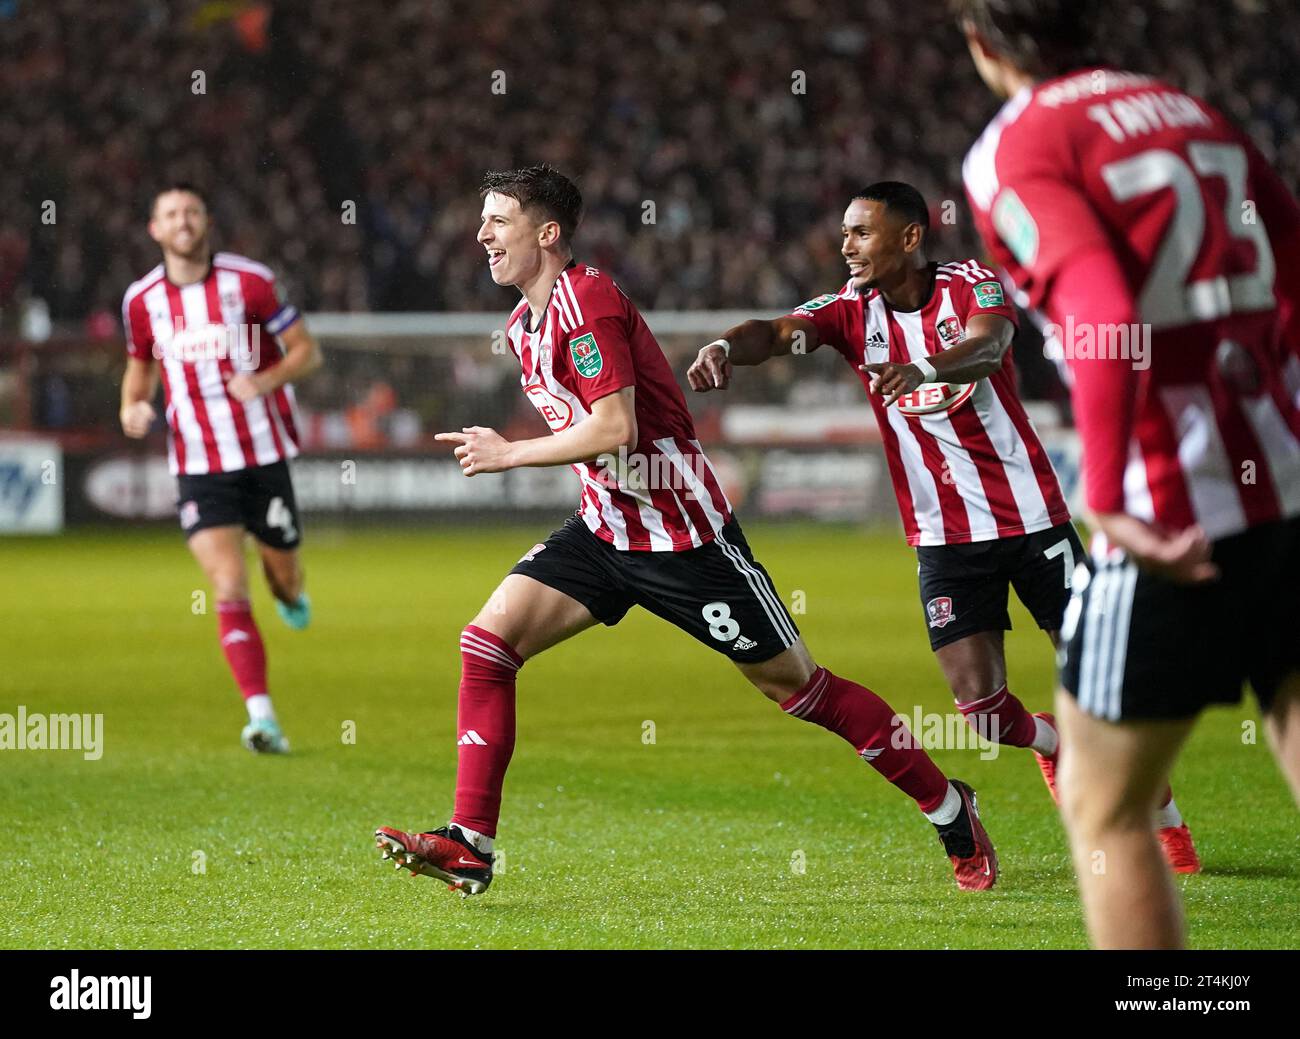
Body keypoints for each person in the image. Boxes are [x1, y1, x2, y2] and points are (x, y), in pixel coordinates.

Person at [375, 165, 998, 896]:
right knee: (486, 643)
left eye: (498, 220)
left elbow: (615, 426)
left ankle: (951, 808)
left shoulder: (588, 301)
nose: (481, 234)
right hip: (606, 532)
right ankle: (471, 843)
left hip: (685, 539)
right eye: (482, 220)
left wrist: (510, 452)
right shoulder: (523, 326)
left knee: (802, 690)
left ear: (547, 233)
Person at [687, 181, 1198, 873]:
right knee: (983, 711)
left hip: (1032, 519)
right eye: (844, 233)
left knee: (1102, 683)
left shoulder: (972, 285)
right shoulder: (848, 310)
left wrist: (922, 366)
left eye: (861, 233)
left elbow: (989, 348)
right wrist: (724, 344)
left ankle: (1164, 822)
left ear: (909, 237)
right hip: (942, 537)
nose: (846, 246)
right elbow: (776, 333)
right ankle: (1054, 746)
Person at [956, 0, 1300, 947]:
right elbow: (1294, 257)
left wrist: (1104, 494)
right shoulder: (1192, 111)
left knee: (1108, 811)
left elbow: (1104, 311)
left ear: (985, 43)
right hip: (1287, 479)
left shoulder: (1014, 147)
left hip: (1173, 502)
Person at [120, 184, 323, 754]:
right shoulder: (142, 300)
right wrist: (131, 406)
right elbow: (138, 369)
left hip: (263, 453)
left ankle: (288, 594)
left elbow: (307, 350)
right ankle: (263, 718)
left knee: (283, 579)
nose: (182, 222)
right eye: (170, 214)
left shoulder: (250, 281)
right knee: (229, 582)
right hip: (197, 463)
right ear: (154, 230)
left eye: (191, 212)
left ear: (206, 221)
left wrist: (263, 380)